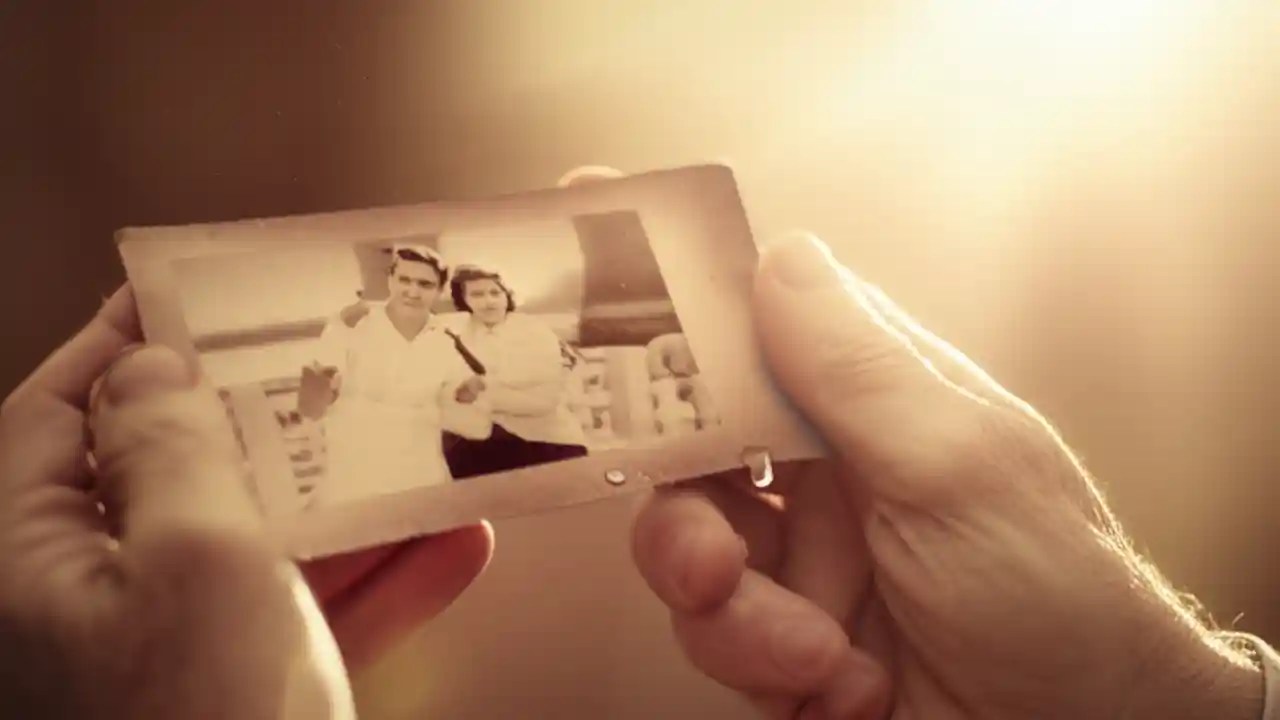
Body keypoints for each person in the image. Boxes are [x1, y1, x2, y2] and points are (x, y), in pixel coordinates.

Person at [0, 188, 1277, 718]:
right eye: (432, 282)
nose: (440, 289)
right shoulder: (363, 324)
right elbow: (351, 384)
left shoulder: (483, 333)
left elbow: (510, 400)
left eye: (446, 283)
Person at [298, 243, 492, 506]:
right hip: (356, 470)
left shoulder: (448, 339)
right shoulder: (351, 325)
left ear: (439, 290)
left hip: (420, 470)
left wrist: (467, 393)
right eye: (404, 280)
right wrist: (320, 385)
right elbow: (310, 408)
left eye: (425, 284)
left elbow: (463, 410)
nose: (412, 291)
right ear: (390, 279)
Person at [440, 264, 589, 479]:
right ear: (464, 300)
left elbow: (544, 398)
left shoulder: (533, 330)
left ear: (507, 295)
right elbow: (451, 392)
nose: (488, 301)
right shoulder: (460, 332)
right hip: (483, 438)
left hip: (546, 438)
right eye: (477, 294)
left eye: (495, 292)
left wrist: (483, 391)